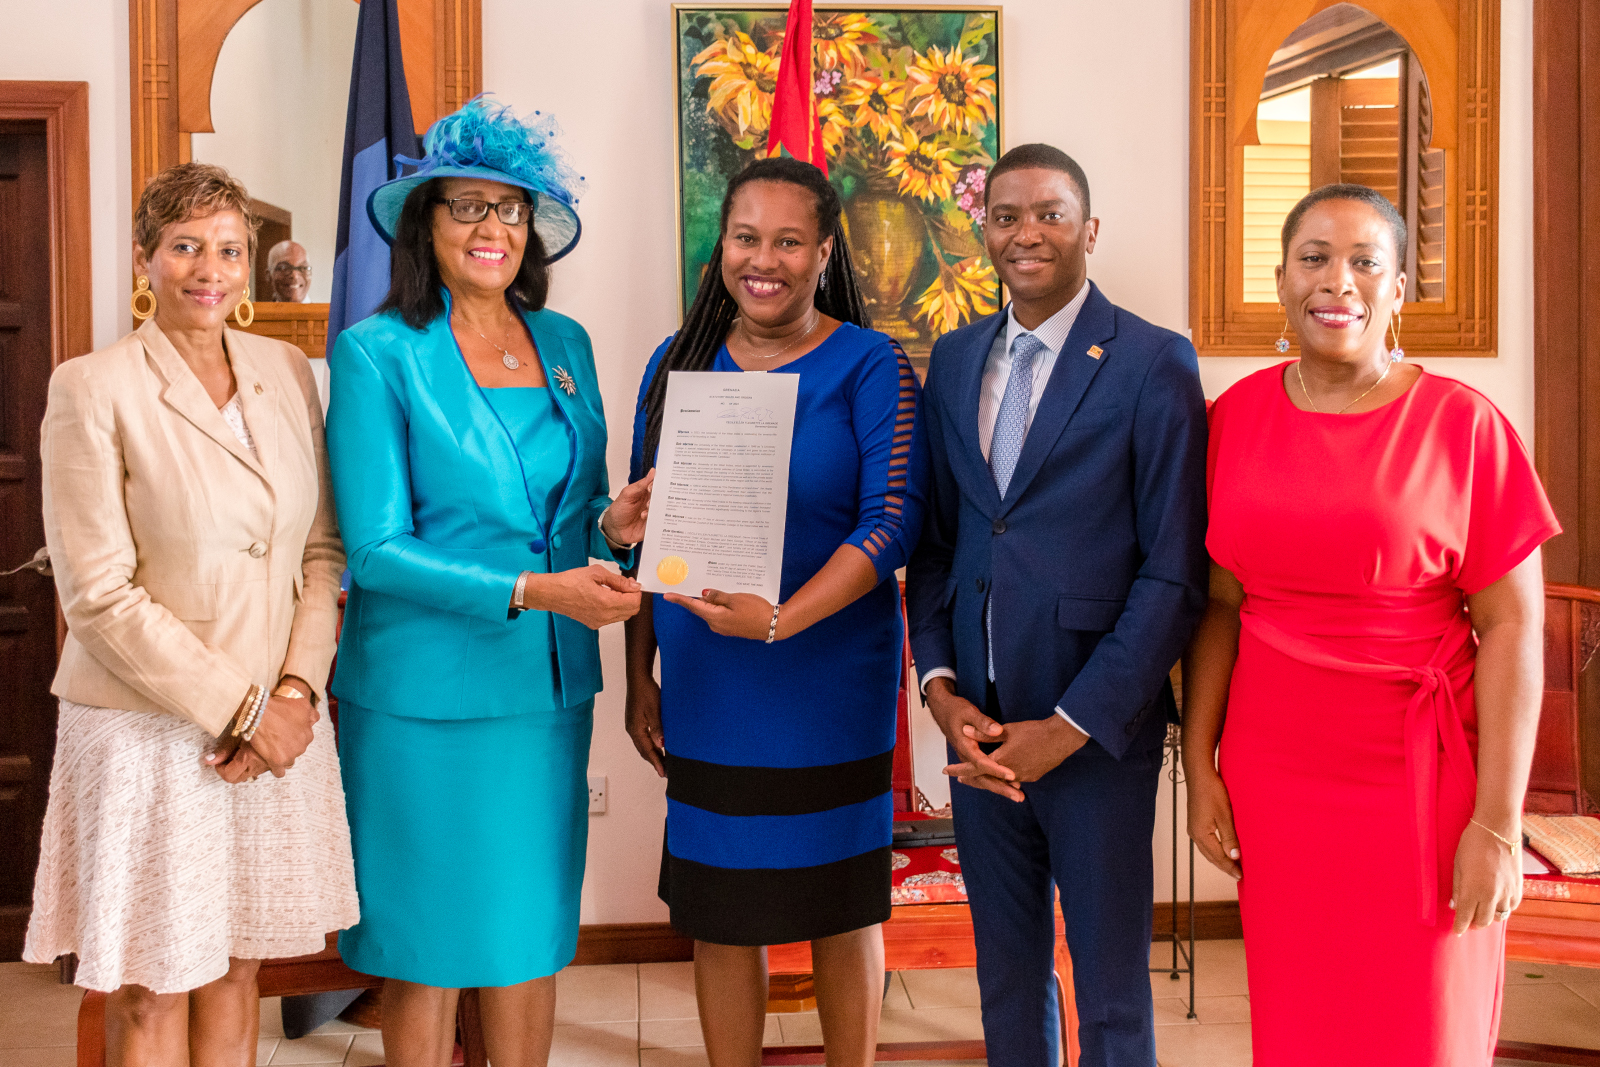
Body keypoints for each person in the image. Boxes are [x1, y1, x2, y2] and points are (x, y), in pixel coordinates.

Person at [1182, 184, 1557, 1066]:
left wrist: (1498, 823)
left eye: (1364, 263)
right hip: (1277, 776)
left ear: (1398, 292)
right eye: (1314, 258)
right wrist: (1201, 766)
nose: (1336, 282)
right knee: (1301, 1016)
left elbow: (1512, 628)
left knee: (1425, 1022)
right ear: (1280, 280)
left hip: (1420, 778)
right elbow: (1221, 608)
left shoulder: (1465, 426)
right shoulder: (1233, 418)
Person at [326, 96, 651, 1067]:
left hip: (544, 697)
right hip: (419, 702)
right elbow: (375, 548)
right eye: (465, 207)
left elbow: (575, 504)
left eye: (508, 210)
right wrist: (534, 589)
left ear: (532, 229)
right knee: (423, 948)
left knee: (524, 942)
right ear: (425, 223)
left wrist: (611, 524)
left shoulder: (568, 346)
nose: (490, 228)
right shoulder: (376, 352)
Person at [24, 162, 354, 1065]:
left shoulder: (287, 370)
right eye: (185, 248)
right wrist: (243, 710)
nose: (209, 269)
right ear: (144, 259)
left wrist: (292, 692)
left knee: (237, 968)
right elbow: (97, 594)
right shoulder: (90, 387)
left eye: (229, 249)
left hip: (278, 722)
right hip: (149, 727)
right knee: (152, 984)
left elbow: (322, 551)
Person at [904, 143, 1209, 1067]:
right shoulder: (953, 360)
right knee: (1006, 975)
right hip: (982, 731)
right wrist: (941, 688)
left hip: (1095, 730)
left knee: (1113, 988)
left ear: (1090, 230)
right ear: (982, 230)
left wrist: (1073, 723)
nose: (1026, 233)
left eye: (1049, 214)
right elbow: (942, 546)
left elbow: (1175, 573)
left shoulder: (1153, 360)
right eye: (1006, 216)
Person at [624, 156, 926, 1067]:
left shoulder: (871, 364)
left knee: (841, 905)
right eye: (747, 238)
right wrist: (638, 673)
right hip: (711, 682)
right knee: (722, 910)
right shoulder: (675, 363)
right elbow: (648, 532)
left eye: (789, 240)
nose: (766, 259)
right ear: (723, 249)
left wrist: (783, 618)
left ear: (824, 253)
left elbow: (895, 521)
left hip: (829, 681)